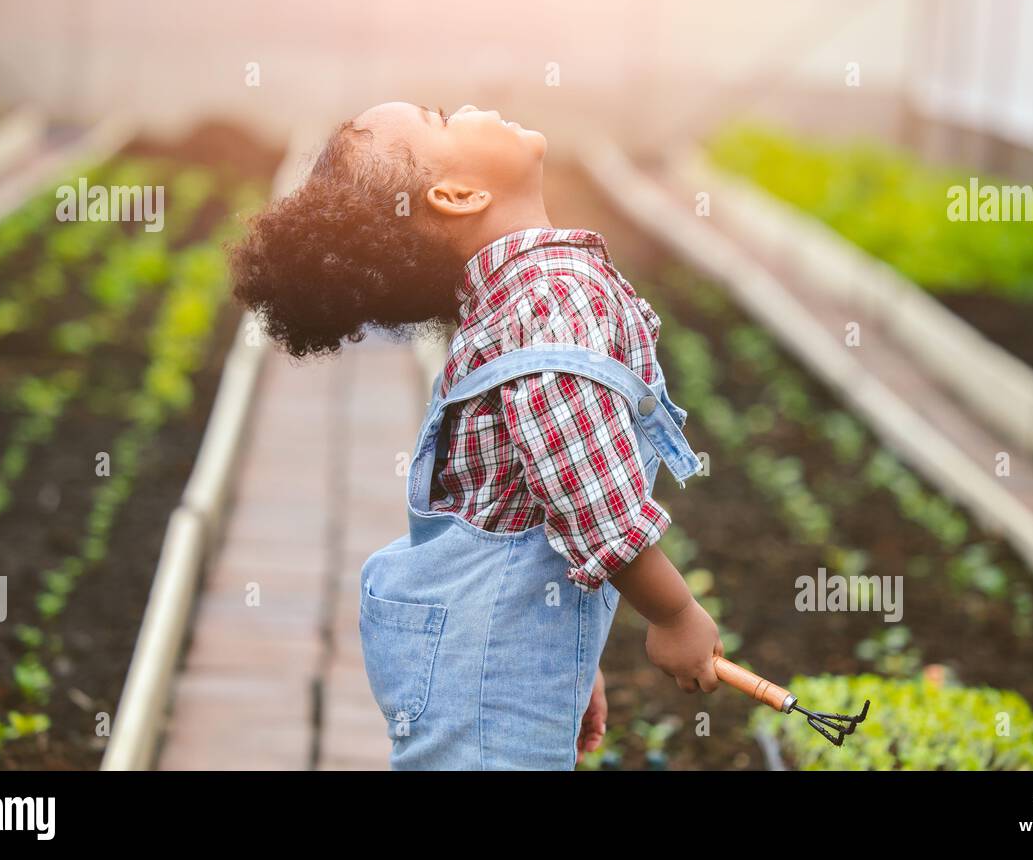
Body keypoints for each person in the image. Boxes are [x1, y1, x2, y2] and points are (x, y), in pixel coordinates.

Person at [227, 102, 722, 769]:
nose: (467, 106)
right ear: (458, 194)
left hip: (478, 665)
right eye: (440, 118)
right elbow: (589, 498)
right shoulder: (552, 297)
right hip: (484, 680)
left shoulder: (510, 302)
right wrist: (675, 616)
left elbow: (523, 506)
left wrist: (567, 656)